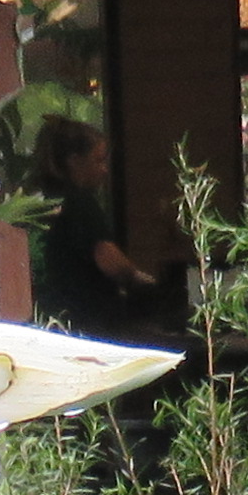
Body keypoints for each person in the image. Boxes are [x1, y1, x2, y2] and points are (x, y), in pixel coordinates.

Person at [24, 116, 163, 336]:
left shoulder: (35, 199)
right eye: (98, 160)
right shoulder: (80, 203)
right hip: (87, 320)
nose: (105, 170)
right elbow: (110, 262)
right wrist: (145, 282)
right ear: (74, 160)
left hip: (47, 314)